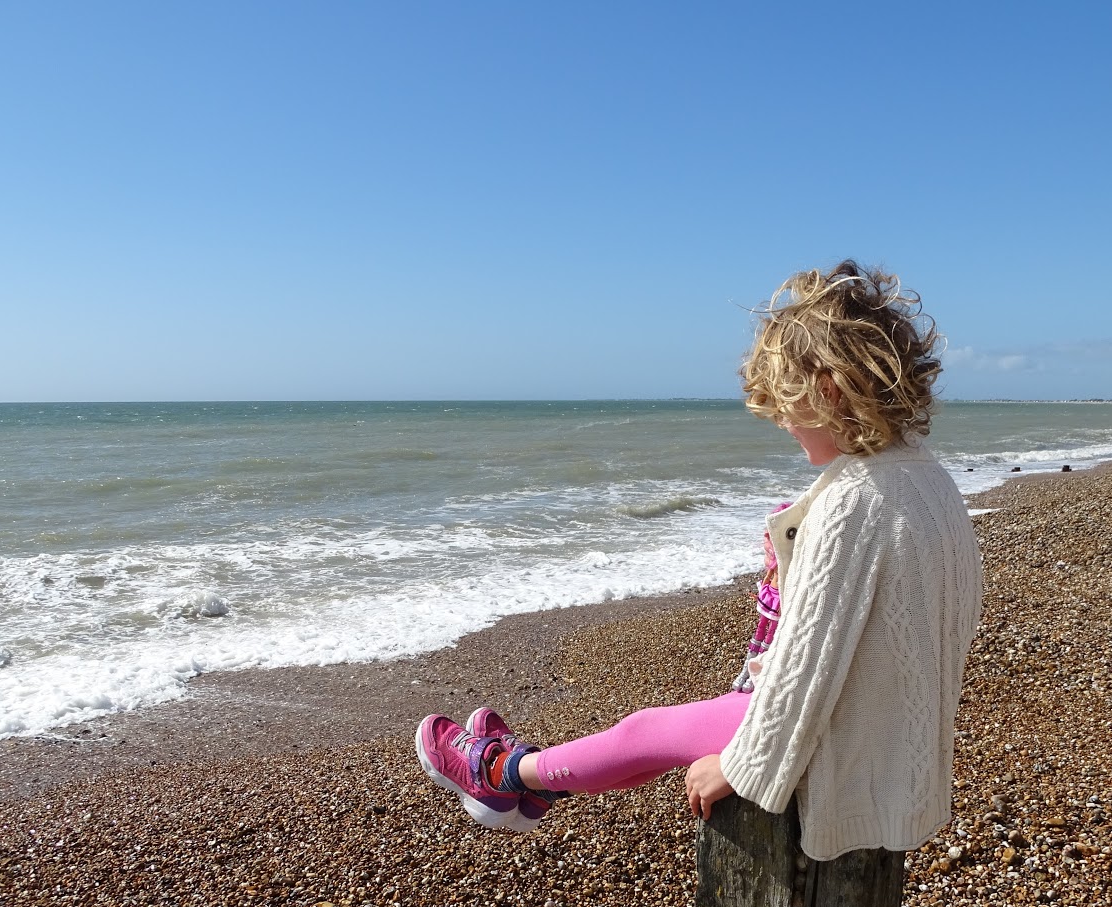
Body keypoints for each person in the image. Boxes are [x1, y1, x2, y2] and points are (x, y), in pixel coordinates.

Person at [415, 261, 983, 860]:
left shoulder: (853, 503)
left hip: (834, 746)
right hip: (893, 740)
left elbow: (806, 672)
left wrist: (741, 768)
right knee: (655, 738)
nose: (782, 423)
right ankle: (532, 783)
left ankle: (505, 777)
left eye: (786, 405)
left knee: (646, 730)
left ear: (829, 390)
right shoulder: (926, 478)